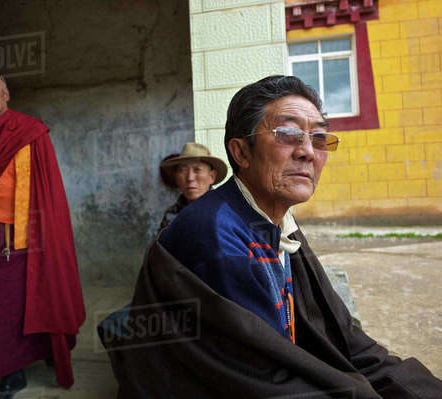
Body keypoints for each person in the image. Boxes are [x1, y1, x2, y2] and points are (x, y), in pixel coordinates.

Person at [106, 75, 442, 398]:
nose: (308, 151)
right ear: (242, 153)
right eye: (288, 134)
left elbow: (342, 335)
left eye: (320, 139)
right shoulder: (216, 234)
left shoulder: (276, 221)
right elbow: (265, 381)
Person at [0, 69, 85, 398]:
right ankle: (11, 371)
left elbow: (49, 188)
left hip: (31, 230)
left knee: (39, 293)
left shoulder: (30, 132)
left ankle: (46, 348)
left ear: (5, 94)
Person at [157, 143, 227, 233]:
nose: (190, 178)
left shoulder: (224, 211)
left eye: (197, 170)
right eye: (183, 170)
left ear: (211, 177)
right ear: (177, 178)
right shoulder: (172, 213)